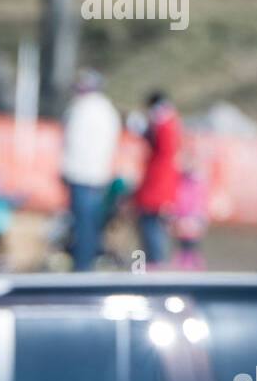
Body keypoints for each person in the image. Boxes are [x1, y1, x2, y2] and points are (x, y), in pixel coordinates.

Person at [60, 68, 122, 271]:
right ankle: (91, 261)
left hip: (81, 174)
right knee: (94, 223)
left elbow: (73, 143)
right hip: (99, 174)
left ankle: (83, 265)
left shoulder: (80, 110)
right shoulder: (108, 110)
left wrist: (66, 168)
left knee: (83, 225)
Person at [132, 91, 182, 268]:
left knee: (152, 228)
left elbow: (162, 147)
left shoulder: (165, 125)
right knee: (151, 228)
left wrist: (147, 130)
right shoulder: (168, 124)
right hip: (157, 188)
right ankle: (152, 263)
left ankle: (154, 264)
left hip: (156, 191)